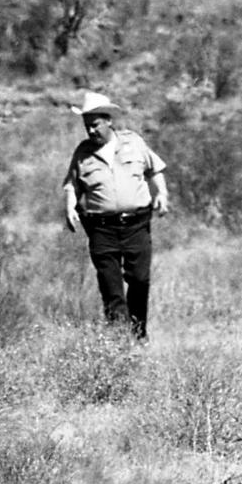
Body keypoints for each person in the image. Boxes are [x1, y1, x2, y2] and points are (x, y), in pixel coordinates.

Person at [62, 92, 170, 341]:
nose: (91, 130)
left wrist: (162, 193)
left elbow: (155, 168)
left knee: (140, 280)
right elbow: (72, 185)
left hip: (136, 223)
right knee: (111, 289)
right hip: (101, 228)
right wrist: (69, 208)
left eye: (95, 124)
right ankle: (120, 341)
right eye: (87, 125)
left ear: (108, 120)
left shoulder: (133, 143)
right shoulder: (83, 153)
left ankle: (138, 333)